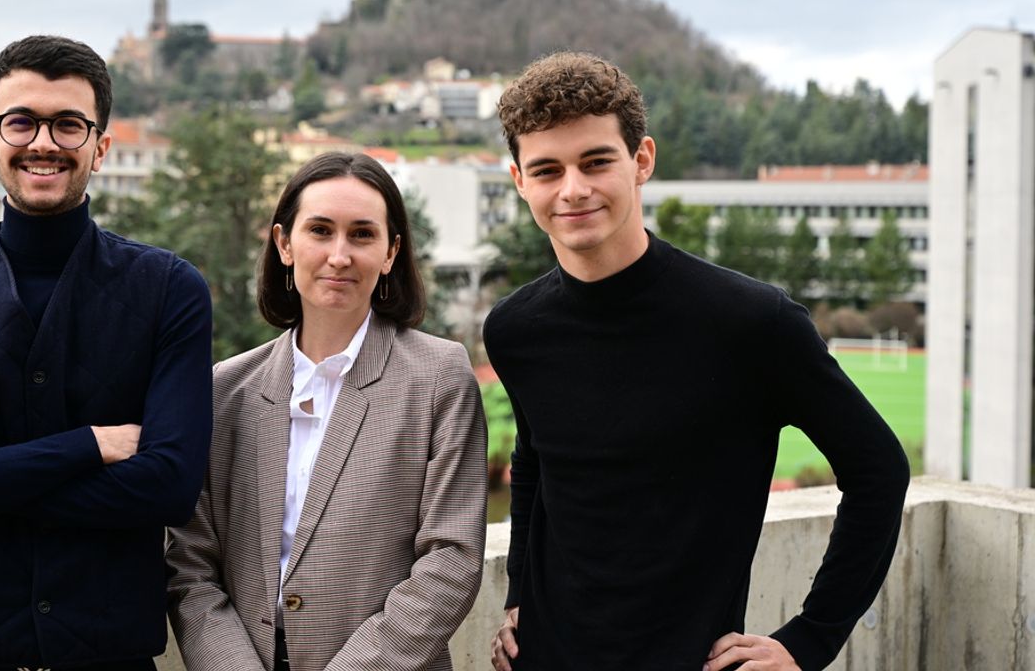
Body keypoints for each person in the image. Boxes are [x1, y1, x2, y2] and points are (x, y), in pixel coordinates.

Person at [485, 52, 910, 671]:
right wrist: (518, 595)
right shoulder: (515, 328)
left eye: (595, 161)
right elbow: (536, 460)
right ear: (521, 181)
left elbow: (879, 472)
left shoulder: (753, 322)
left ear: (642, 161)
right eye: (547, 170)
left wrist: (808, 639)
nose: (572, 189)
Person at [0, 34, 213, 670]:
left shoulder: (168, 291)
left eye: (68, 124)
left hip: (109, 656)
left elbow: (168, 489)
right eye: (21, 121)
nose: (44, 142)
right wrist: (86, 448)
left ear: (100, 146)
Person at [166, 152, 486, 671]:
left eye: (362, 234)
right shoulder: (225, 390)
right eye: (320, 230)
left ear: (390, 252)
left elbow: (452, 558)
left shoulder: (439, 377)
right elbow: (190, 565)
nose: (340, 255)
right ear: (284, 244)